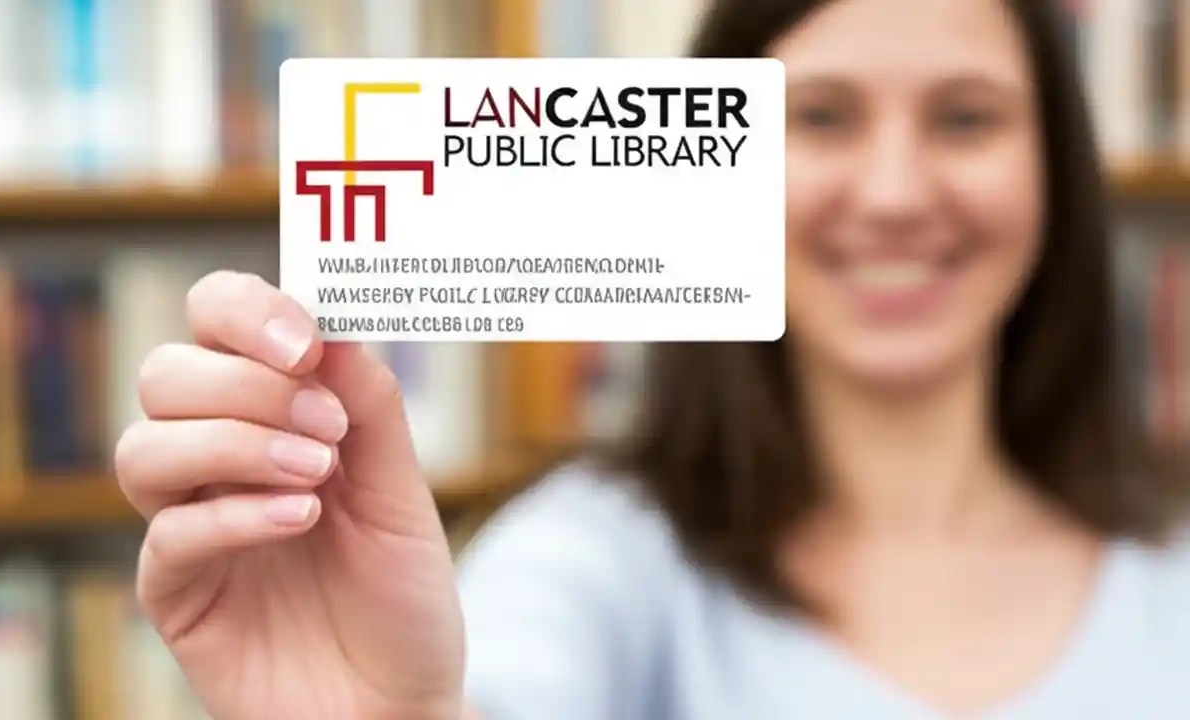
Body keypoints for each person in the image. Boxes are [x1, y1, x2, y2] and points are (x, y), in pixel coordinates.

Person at [112, 0, 1188, 717]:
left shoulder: (1167, 581)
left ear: (1054, 170)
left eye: (964, 119)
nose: (896, 192)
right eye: (818, 118)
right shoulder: (587, 567)